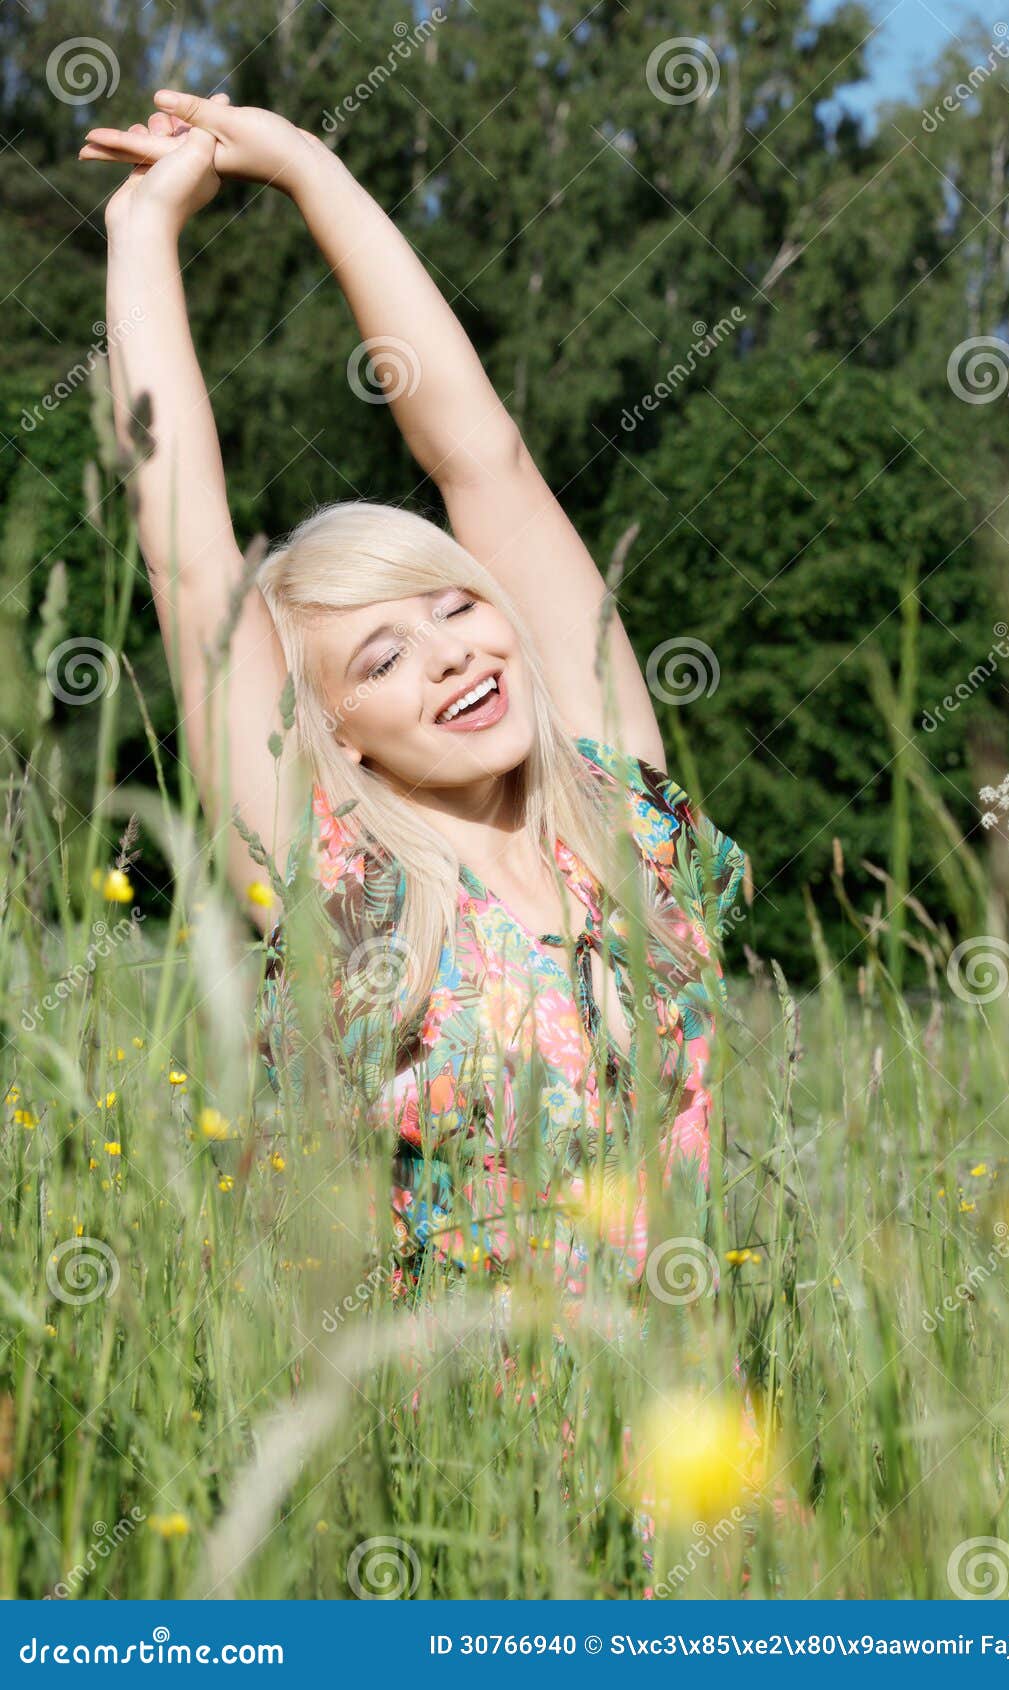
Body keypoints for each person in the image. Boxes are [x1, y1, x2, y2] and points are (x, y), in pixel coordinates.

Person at [80, 91, 745, 1306]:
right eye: (380, 660)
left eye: (454, 606)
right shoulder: (334, 872)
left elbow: (477, 453)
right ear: (327, 728)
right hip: (460, 1464)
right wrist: (143, 232)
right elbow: (184, 554)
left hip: (697, 1454)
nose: (449, 654)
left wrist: (305, 167)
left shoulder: (620, 818)